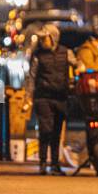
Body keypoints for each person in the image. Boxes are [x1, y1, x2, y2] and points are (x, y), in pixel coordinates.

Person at [24, 24, 76, 174]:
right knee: (45, 129)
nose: (42, 41)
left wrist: (81, 69)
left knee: (56, 132)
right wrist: (28, 96)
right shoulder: (38, 55)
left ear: (53, 38)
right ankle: (42, 162)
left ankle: (54, 164)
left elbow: (77, 64)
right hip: (43, 97)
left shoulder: (66, 53)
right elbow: (32, 77)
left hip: (61, 97)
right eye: (40, 39)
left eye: (44, 38)